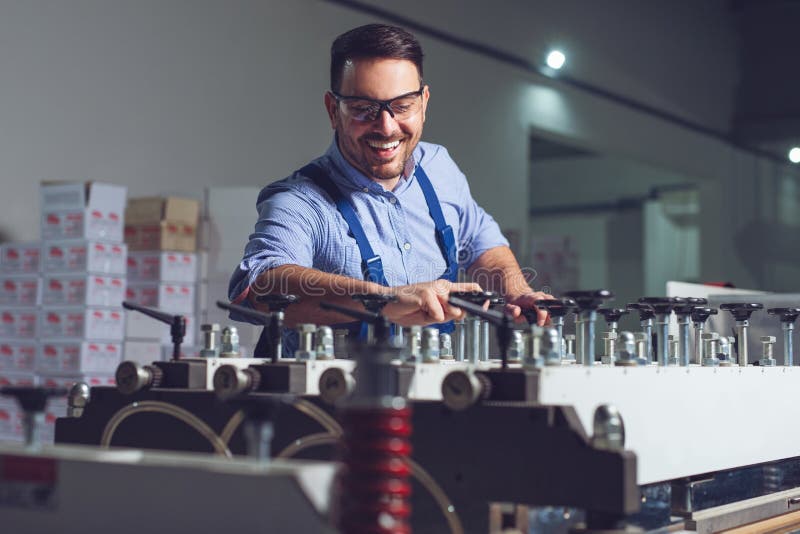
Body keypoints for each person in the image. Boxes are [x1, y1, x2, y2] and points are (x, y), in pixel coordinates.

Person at [229, 23, 550, 354]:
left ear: (423, 102)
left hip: (431, 394)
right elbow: (262, 284)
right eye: (363, 109)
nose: (386, 127)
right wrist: (382, 299)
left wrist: (516, 290)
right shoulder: (299, 200)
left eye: (402, 106)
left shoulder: (439, 167)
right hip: (328, 401)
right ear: (332, 110)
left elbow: (482, 242)